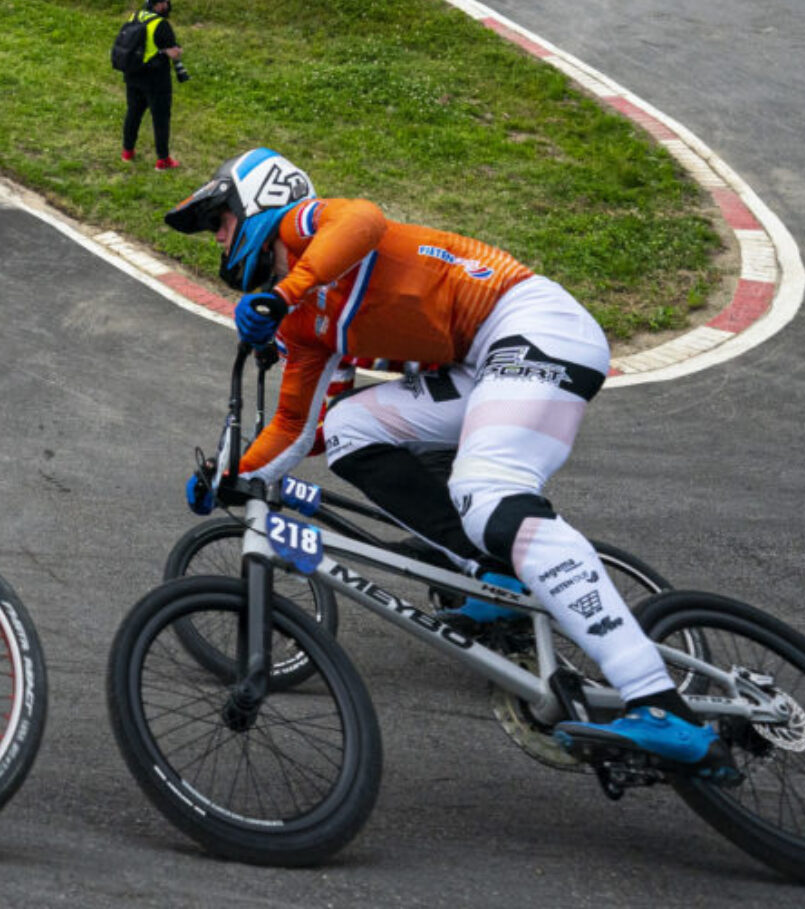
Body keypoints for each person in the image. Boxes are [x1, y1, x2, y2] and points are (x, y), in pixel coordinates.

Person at [162, 147, 721, 768]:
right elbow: (298, 428)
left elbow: (366, 220)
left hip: (531, 324)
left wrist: (285, 292)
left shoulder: (307, 227)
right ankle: (490, 569)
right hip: (478, 365)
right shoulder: (301, 325)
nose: (217, 238)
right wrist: (233, 477)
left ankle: (658, 698)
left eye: (220, 221)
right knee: (346, 427)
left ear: (259, 201)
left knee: (491, 493)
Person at [118, 0, 184, 170]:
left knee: (133, 113)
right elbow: (173, 52)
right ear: (159, 4)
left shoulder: (135, 16)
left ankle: (127, 151)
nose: (168, 5)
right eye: (166, 1)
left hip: (133, 74)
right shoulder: (161, 24)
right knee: (160, 119)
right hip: (156, 79)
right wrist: (177, 51)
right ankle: (163, 160)